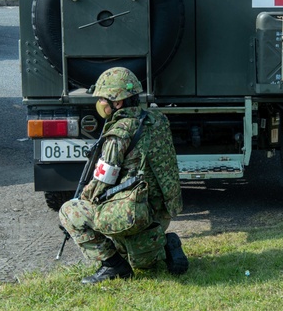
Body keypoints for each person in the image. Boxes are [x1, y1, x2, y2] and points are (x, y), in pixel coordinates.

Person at [59, 67, 187, 284]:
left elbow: (102, 180)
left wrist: (84, 203)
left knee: (69, 211)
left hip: (137, 212)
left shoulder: (119, 133)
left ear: (117, 103)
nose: (100, 103)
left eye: (102, 99)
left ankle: (113, 266)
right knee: (140, 260)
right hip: (160, 212)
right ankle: (164, 244)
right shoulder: (158, 121)